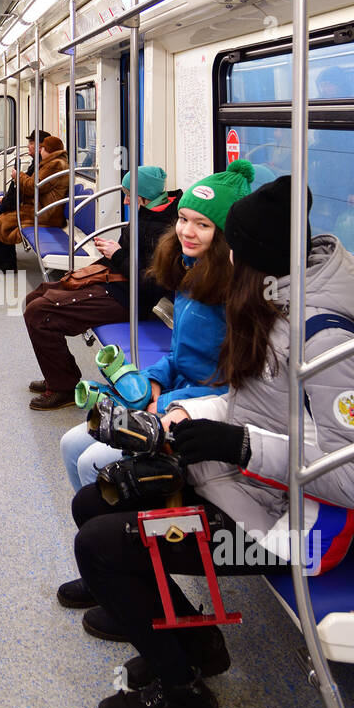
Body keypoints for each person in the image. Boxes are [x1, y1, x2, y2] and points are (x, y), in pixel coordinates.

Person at [66, 174, 354, 708]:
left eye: (232, 248)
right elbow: (246, 403)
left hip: (297, 530)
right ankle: (194, 646)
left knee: (101, 545)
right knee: (93, 502)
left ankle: (184, 697)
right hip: (248, 492)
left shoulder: (328, 343)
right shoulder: (274, 305)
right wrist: (184, 420)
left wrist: (238, 445)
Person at [57, 160, 256, 492]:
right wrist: (153, 381)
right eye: (183, 219)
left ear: (224, 235)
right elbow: (180, 358)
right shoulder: (190, 274)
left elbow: (233, 386)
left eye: (202, 224)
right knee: (71, 444)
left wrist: (160, 405)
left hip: (201, 411)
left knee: (93, 463)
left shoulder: (237, 296)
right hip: (173, 393)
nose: (186, 231)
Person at [21, 165, 180, 410]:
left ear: (145, 197)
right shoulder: (146, 213)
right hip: (116, 283)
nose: (126, 200)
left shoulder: (164, 231)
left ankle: (63, 387)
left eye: (129, 195)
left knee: (39, 312)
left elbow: (152, 284)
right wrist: (109, 256)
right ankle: (58, 375)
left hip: (129, 300)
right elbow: (128, 258)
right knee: (37, 295)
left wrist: (116, 255)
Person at [0, 135, 70, 270]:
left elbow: (33, 186)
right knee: (3, 218)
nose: (40, 151)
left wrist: (18, 176)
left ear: (47, 150)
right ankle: (3, 260)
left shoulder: (55, 165)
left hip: (47, 213)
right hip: (42, 208)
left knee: (4, 221)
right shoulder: (52, 163)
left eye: (42, 148)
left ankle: (8, 263)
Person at [0, 129, 48, 267]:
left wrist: (16, 181)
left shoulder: (42, 165)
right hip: (29, 202)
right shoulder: (35, 162)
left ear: (40, 147)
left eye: (31, 143)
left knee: (1, 211)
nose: (28, 146)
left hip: (36, 208)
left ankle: (6, 259)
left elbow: (29, 188)